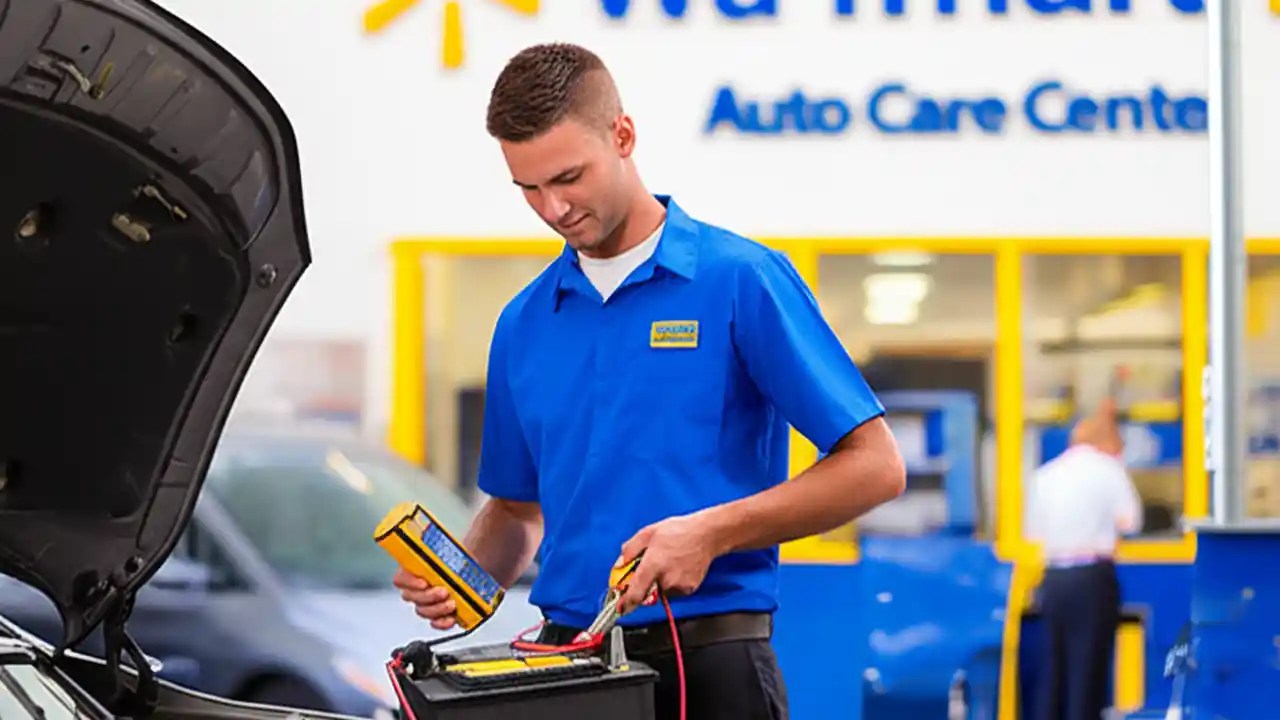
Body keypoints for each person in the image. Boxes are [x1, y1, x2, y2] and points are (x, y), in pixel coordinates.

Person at [393, 42, 906, 720]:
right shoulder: (524, 323)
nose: (553, 208)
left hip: (711, 666)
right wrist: (462, 580)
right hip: (567, 670)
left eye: (569, 177)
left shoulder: (740, 281)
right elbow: (518, 511)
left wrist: (711, 533)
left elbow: (875, 466)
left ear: (624, 135)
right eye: (529, 189)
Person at [1026, 398, 1143, 720]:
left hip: (1053, 579)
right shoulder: (1108, 469)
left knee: (1053, 670)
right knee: (1087, 671)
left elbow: (1032, 532)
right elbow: (1130, 521)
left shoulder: (1044, 476)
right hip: (1092, 578)